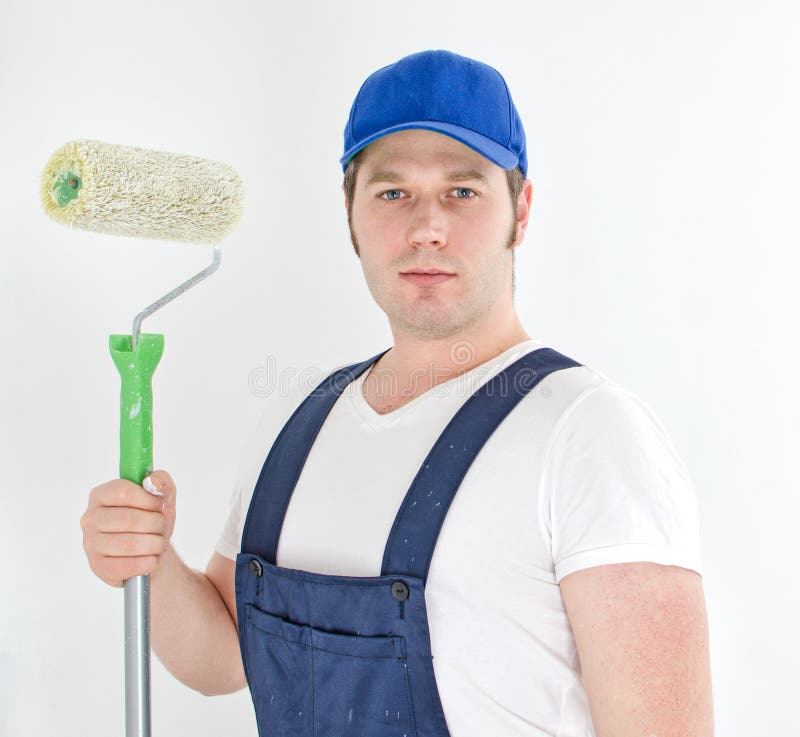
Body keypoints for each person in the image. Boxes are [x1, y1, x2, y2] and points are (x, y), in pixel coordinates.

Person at [80, 49, 714, 737]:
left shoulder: (589, 433)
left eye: (462, 192)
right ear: (349, 212)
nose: (426, 228)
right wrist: (149, 560)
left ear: (521, 211)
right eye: (392, 193)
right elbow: (225, 656)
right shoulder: (294, 425)